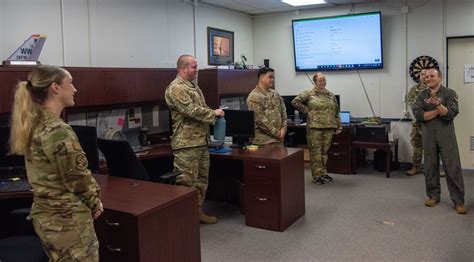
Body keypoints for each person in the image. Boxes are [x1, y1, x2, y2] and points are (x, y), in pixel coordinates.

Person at [9, 65, 103, 260]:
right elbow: (76, 177)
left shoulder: (34, 123)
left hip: (48, 218)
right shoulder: (57, 130)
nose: (75, 89)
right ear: (56, 88)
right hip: (68, 221)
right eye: (70, 83)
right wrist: (95, 201)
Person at [165, 55, 225, 224]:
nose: (197, 70)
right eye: (194, 67)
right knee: (186, 182)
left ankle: (196, 212)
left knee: (201, 181)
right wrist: (213, 113)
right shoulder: (176, 88)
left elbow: (201, 108)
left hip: (200, 142)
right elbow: (190, 110)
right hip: (186, 144)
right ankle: (183, 219)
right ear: (183, 68)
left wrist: (214, 114)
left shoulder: (193, 87)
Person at [412, 68, 466, 214]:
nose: (428, 78)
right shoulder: (421, 96)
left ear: (440, 78)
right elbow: (419, 115)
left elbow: (450, 114)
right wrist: (438, 110)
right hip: (428, 136)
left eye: (432, 76)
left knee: (452, 167)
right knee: (430, 166)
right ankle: (433, 196)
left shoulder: (450, 93)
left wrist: (437, 105)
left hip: (446, 136)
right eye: (426, 76)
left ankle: (458, 201)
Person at [292, 72, 342, 185]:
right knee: (316, 152)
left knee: (324, 151)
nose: (323, 82)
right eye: (320, 80)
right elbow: (295, 101)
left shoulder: (330, 94)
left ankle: (323, 172)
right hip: (315, 127)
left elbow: (336, 111)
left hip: (329, 126)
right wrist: (307, 111)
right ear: (315, 82)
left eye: (324, 80)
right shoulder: (309, 93)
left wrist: (339, 125)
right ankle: (317, 175)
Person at [246, 67, 287, 148]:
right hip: (264, 142)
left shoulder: (275, 93)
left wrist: (283, 129)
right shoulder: (254, 96)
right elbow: (260, 120)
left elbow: (283, 111)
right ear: (261, 78)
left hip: (278, 140)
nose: (272, 80)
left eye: (273, 77)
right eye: (270, 77)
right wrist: (277, 133)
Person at [406, 68, 428, 176]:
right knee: (417, 145)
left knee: (433, 147)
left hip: (431, 123)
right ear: (419, 77)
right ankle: (416, 167)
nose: (424, 76)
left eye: (426, 74)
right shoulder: (413, 90)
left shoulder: (434, 89)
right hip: (417, 122)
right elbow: (413, 106)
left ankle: (433, 169)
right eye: (422, 74)